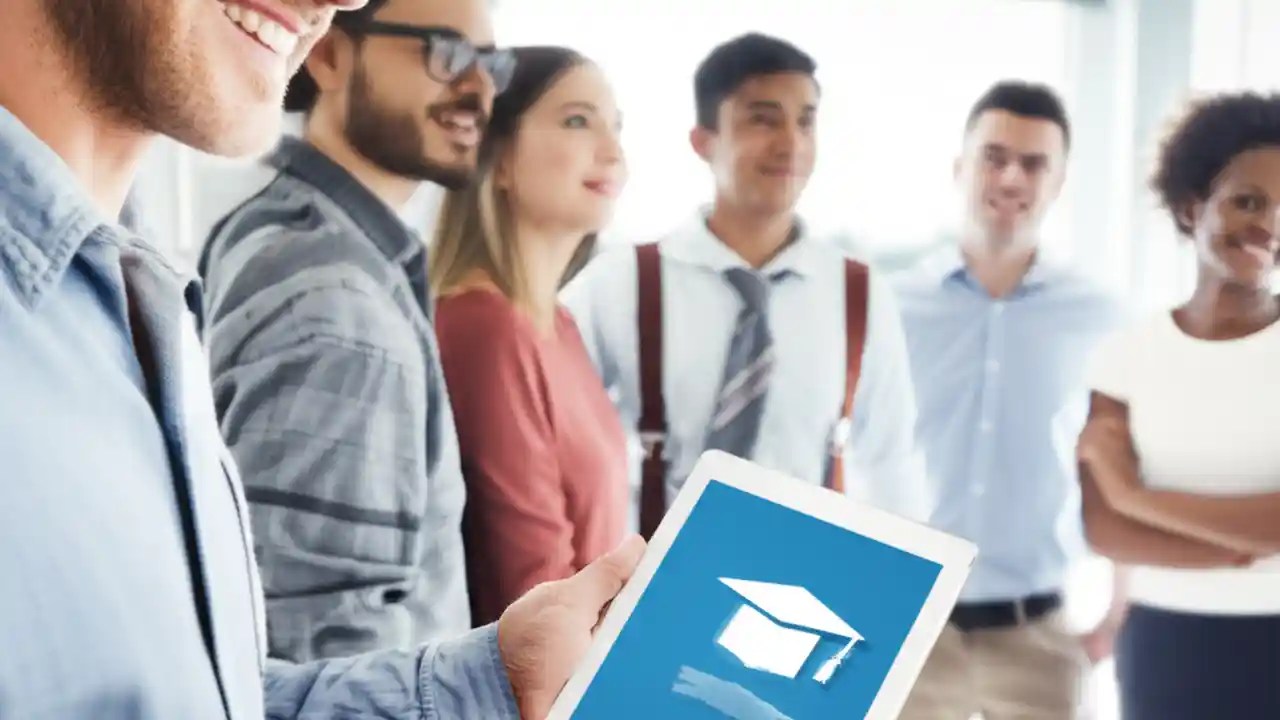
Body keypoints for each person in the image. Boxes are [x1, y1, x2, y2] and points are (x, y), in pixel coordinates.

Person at [0, 0, 643, 717]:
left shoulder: (136, 290)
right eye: (443, 52)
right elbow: (325, 633)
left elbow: (215, 696)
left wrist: (488, 680)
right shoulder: (330, 295)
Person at [198, 0, 516, 661]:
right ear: (331, 54)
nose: (478, 87)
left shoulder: (279, 231)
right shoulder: (340, 306)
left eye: (491, 63)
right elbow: (322, 653)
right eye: (445, 51)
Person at [562, 33, 929, 538]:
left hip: (807, 581)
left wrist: (906, 596)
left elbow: (891, 460)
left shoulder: (861, 294)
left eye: (806, 120)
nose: (792, 143)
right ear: (703, 140)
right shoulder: (618, 283)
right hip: (650, 584)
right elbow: (555, 443)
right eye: (763, 118)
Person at [894, 81, 1127, 720]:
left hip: (1040, 641)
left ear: (1057, 182)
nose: (1011, 176)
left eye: (1034, 163)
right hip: (906, 633)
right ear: (959, 168)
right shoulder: (889, 307)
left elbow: (1126, 467)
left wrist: (1116, 611)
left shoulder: (1102, 317)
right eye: (994, 156)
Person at [1079, 91, 1280, 720]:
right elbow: (1102, 526)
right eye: (1248, 200)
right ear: (1193, 208)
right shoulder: (1125, 355)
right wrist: (1239, 544)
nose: (1268, 224)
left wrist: (1138, 498)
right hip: (1164, 641)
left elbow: (1124, 509)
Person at [430, 46, 629, 627]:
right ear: (500, 160)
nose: (614, 151)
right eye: (577, 120)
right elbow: (537, 592)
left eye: (616, 126)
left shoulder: (557, 324)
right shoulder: (483, 327)